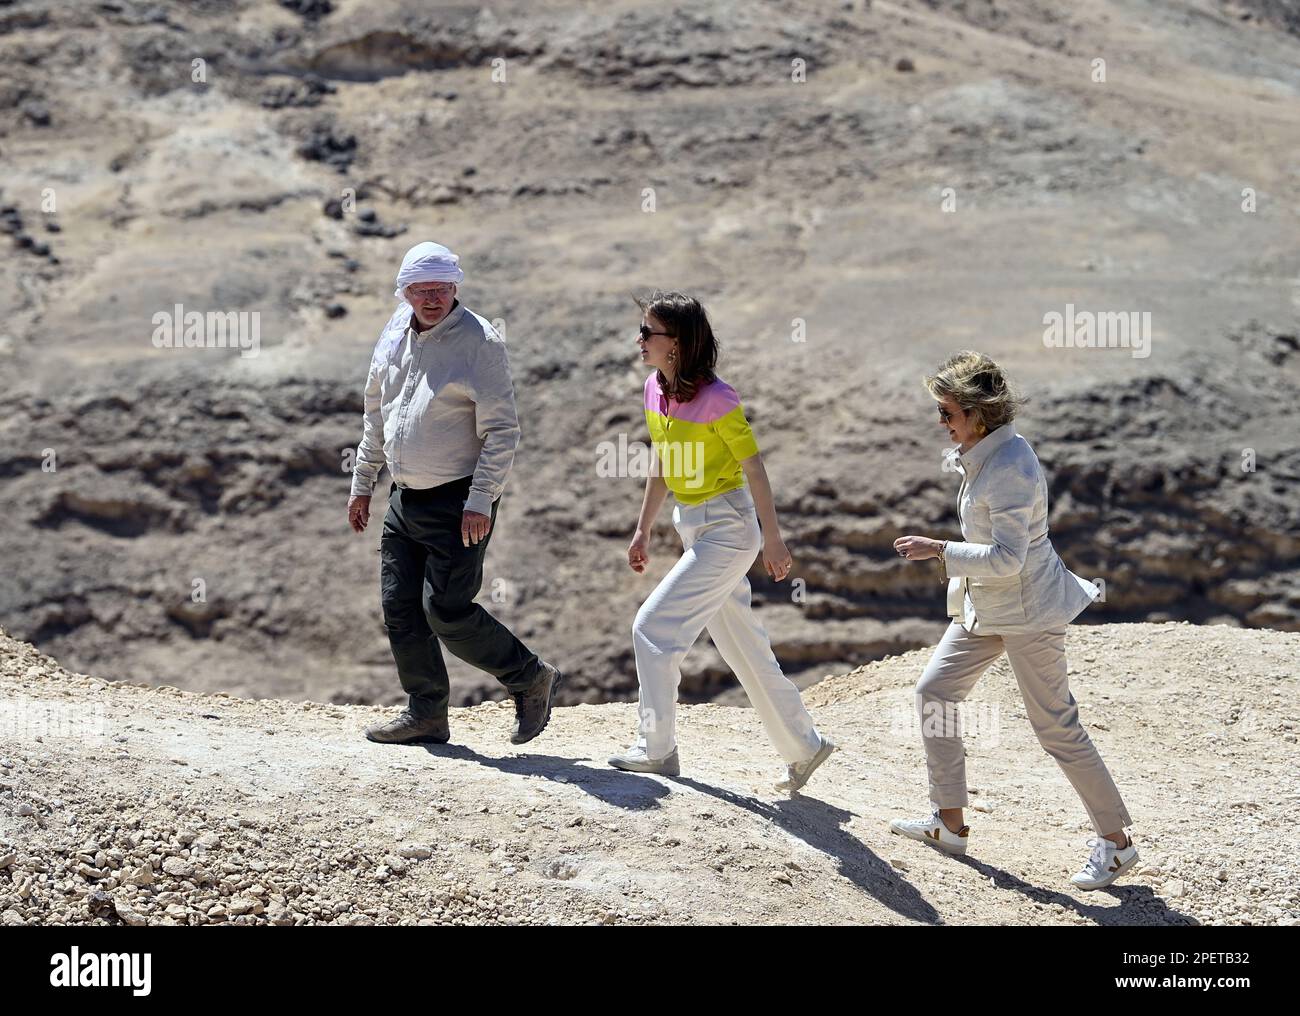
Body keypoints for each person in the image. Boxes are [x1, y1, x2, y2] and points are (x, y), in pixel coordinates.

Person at [891, 350, 1136, 890]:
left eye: (947, 411)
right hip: (988, 607)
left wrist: (939, 549)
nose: (941, 422)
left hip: (1029, 610)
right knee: (935, 692)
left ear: (977, 414)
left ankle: (1115, 844)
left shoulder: (1009, 467)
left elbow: (1008, 558)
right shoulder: (982, 451)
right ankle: (948, 823)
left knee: (1056, 728)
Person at [610, 291, 836, 794]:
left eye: (649, 333)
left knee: (652, 629)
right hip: (692, 525)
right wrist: (643, 528)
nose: (639, 340)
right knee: (744, 648)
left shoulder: (718, 398)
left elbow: (753, 466)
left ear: (678, 343)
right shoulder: (654, 389)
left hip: (730, 530)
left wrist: (773, 539)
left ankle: (657, 748)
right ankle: (804, 745)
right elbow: (663, 462)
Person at [347, 241, 562, 747]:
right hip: (404, 496)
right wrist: (363, 483)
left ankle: (529, 677)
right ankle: (426, 713)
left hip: (458, 501)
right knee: (401, 608)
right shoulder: (394, 332)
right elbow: (377, 413)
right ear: (404, 292)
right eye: (420, 290)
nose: (431, 299)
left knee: (445, 610)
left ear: (455, 288)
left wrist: (480, 500)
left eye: (441, 289)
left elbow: (503, 431)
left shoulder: (479, 341)